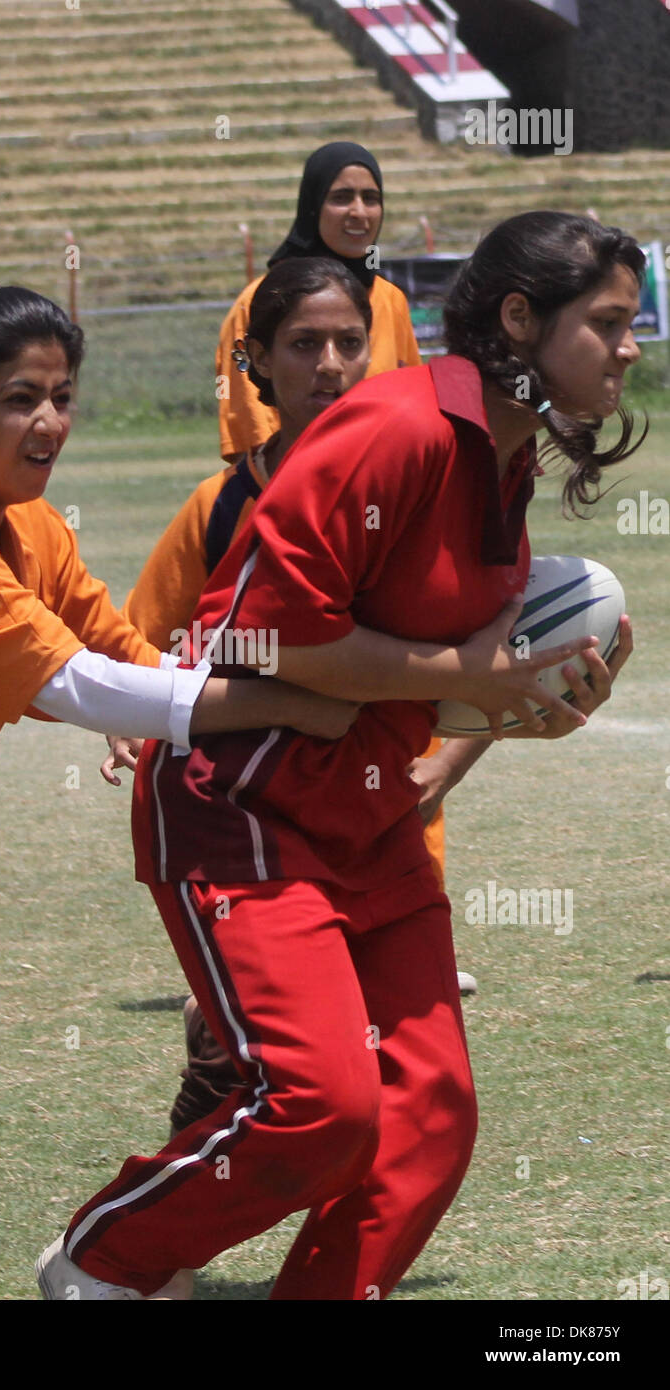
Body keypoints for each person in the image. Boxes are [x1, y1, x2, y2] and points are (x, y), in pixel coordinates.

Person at [37, 212, 641, 1301]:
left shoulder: (499, 453)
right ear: (519, 319)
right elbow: (282, 637)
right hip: (246, 805)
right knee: (325, 1104)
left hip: (369, 820)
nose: (631, 346)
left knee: (431, 1116)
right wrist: (471, 673)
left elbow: (446, 673)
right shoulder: (395, 429)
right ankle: (106, 1260)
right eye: (605, 322)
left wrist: (524, 706)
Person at [0, 285, 361, 1275]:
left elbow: (123, 653)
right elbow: (76, 681)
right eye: (17, 398)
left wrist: (298, 673)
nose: (48, 421)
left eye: (61, 395)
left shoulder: (29, 529)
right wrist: (286, 703)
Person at [102, 259, 480, 1165]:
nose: (331, 364)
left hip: (380, 821)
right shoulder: (221, 504)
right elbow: (142, 645)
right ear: (257, 363)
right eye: (304, 345)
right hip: (249, 827)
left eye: (350, 343)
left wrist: (447, 762)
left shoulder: (420, 488)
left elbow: (472, 658)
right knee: (284, 1065)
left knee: (395, 1077)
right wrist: (140, 708)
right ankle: (165, 1236)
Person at [216, 140, 421, 464]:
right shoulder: (260, 301)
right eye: (341, 198)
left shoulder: (391, 300)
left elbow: (412, 408)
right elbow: (252, 434)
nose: (359, 212)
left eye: (371, 198)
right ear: (312, 206)